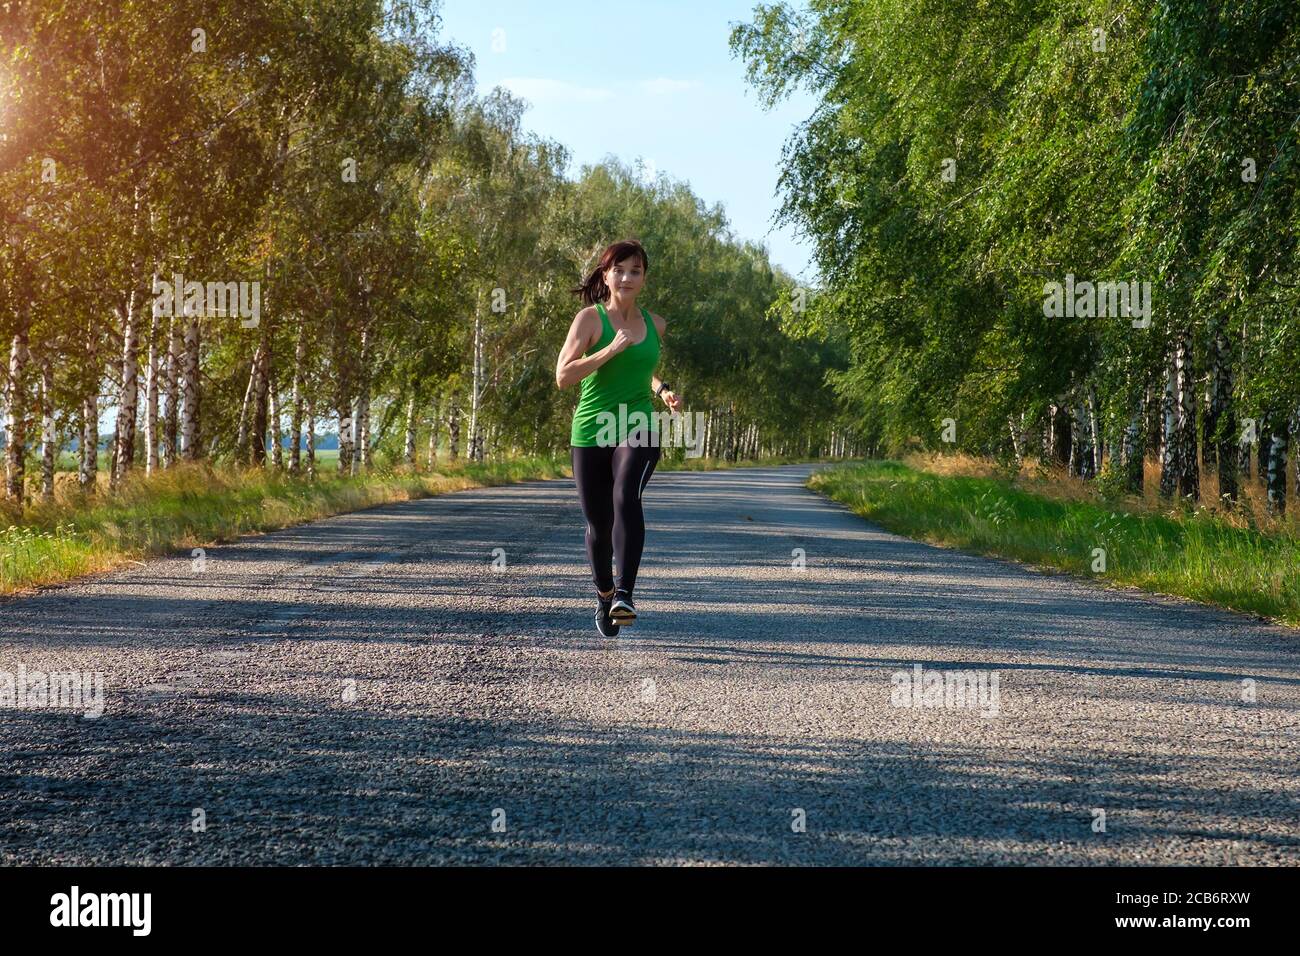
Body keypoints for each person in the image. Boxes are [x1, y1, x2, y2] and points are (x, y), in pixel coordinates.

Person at [555, 239, 683, 637]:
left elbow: (639, 366)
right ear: (606, 274)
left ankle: (625, 593)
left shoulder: (655, 324)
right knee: (598, 523)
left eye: (636, 271)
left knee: (626, 495)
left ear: (645, 277)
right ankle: (605, 595)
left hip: (636, 424)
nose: (627, 277)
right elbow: (564, 376)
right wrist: (608, 349)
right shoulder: (589, 320)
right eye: (620, 270)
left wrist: (661, 390)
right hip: (592, 429)